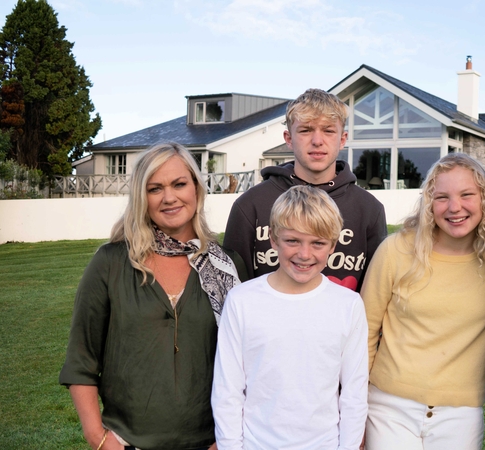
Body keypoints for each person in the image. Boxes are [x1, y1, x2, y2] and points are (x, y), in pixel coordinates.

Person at [60, 142, 248, 450]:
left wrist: (226, 440)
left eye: (179, 184)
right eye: (154, 188)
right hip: (127, 442)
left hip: (214, 443)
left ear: (197, 190)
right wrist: (98, 437)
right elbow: (81, 359)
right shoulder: (110, 263)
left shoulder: (228, 267)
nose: (169, 197)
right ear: (140, 198)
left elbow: (250, 363)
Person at [212, 185, 369, 450]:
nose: (304, 254)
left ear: (333, 244)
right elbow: (227, 391)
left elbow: (354, 394)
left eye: (318, 243)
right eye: (292, 241)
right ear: (273, 239)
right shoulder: (242, 301)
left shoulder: (348, 305)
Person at [361, 153, 485, 450]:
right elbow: (365, 330)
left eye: (467, 195)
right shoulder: (397, 250)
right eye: (441, 197)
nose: (454, 207)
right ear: (428, 203)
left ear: (484, 199)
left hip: (461, 412)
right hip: (388, 405)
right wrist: (356, 404)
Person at [222, 88, 387, 292]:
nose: (317, 140)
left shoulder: (369, 209)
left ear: (342, 139)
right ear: (289, 138)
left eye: (328, 130)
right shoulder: (251, 205)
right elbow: (231, 286)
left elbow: (375, 292)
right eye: (306, 130)